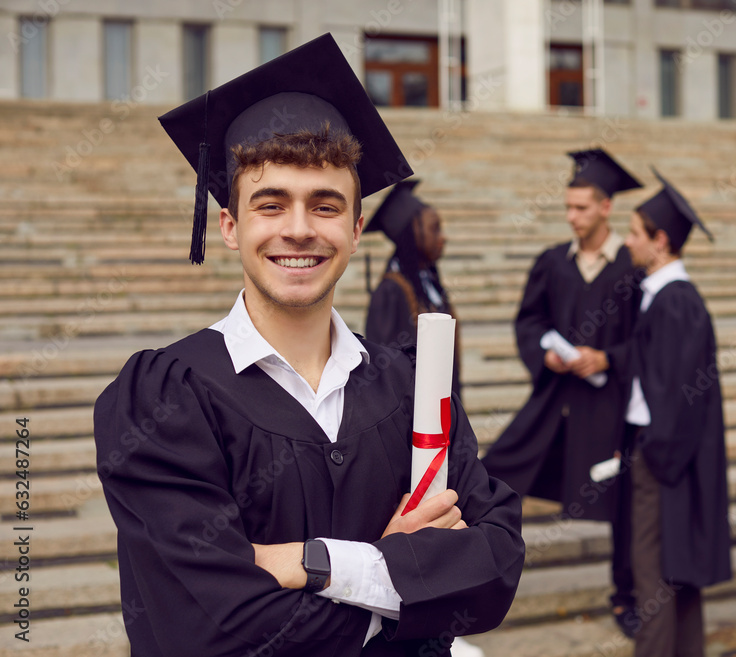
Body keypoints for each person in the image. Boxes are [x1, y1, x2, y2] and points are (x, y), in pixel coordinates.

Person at [93, 34, 523, 657]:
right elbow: (211, 629)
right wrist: (406, 584)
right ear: (231, 226)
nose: (298, 229)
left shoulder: (411, 388)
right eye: (271, 205)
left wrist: (316, 564)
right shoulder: (164, 399)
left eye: (325, 205)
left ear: (356, 227)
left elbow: (497, 564)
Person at [481, 148, 642, 634]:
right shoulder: (552, 262)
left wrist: (610, 357)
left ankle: (627, 596)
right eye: (567, 208)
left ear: (606, 207)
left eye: (581, 208)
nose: (571, 217)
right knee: (493, 475)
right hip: (557, 398)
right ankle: (478, 581)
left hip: (609, 402)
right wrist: (543, 354)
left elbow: (650, 339)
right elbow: (529, 320)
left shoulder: (632, 266)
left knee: (626, 501)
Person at [622, 169, 732, 655]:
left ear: (660, 241)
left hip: (665, 461)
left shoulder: (675, 303)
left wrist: (654, 453)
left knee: (653, 577)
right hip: (674, 457)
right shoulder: (668, 299)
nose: (627, 243)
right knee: (675, 574)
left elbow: (680, 395)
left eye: (634, 233)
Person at [364, 179, 461, 399]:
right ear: (411, 233)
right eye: (434, 229)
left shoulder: (428, 284)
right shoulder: (390, 293)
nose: (443, 238)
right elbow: (384, 368)